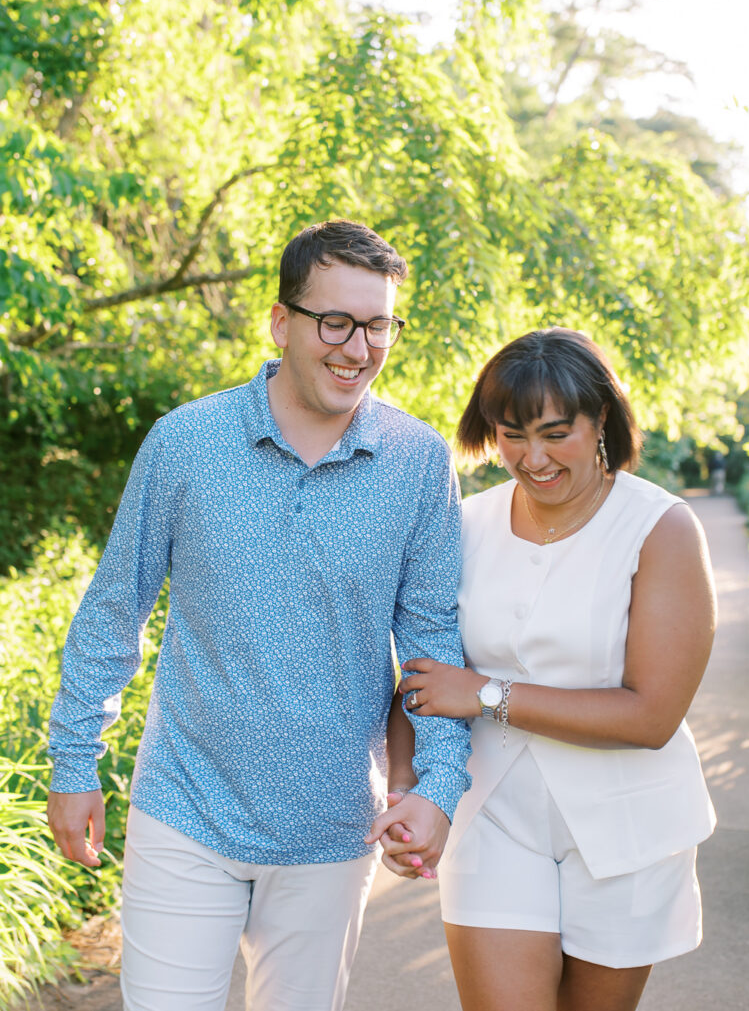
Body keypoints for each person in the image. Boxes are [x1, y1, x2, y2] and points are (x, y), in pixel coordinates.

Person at [45, 219, 471, 1011]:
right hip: (186, 808)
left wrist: (438, 785)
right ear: (281, 322)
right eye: (334, 321)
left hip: (334, 825)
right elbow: (113, 610)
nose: (357, 347)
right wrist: (75, 761)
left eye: (379, 324)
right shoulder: (185, 443)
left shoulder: (418, 462)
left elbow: (433, 644)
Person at [397, 328, 717, 1011]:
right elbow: (419, 675)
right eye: (511, 434)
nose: (531, 458)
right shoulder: (464, 523)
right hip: (493, 816)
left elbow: (651, 715)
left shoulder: (660, 527)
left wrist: (485, 694)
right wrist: (407, 791)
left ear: (601, 418)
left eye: (554, 433)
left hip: (626, 830)